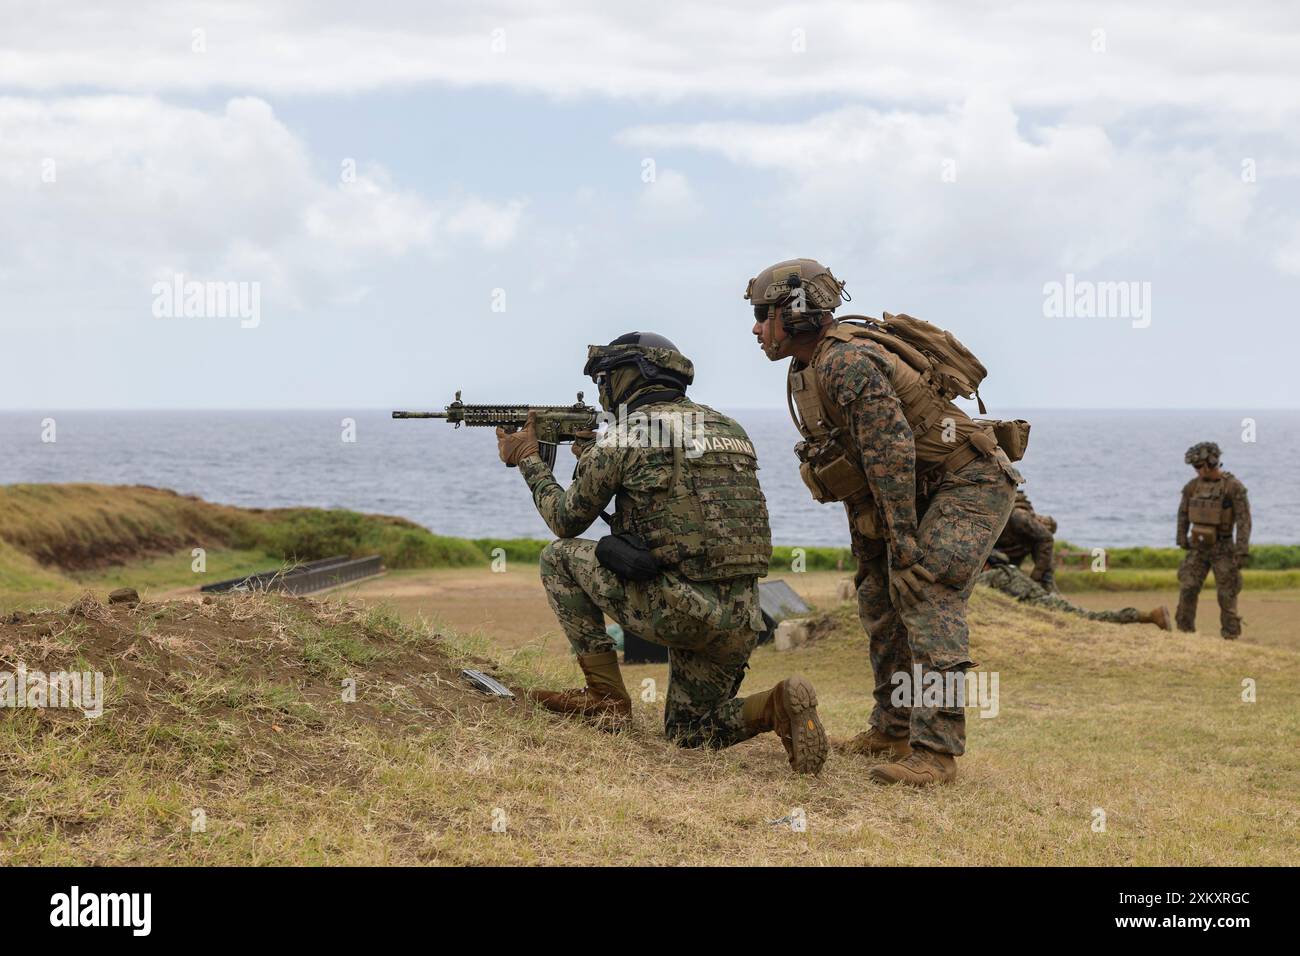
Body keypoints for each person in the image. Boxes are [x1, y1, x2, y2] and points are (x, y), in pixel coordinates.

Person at [495, 332, 828, 773]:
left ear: (630, 377)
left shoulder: (624, 436)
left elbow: (565, 520)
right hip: (744, 615)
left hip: (675, 609)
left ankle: (604, 699)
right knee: (690, 732)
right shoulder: (730, 429)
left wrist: (528, 459)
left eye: (605, 379)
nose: (601, 390)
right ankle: (776, 704)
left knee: (558, 556)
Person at [745, 258, 1019, 786]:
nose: (757, 328)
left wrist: (906, 546)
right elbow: (857, 462)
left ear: (796, 312)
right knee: (878, 600)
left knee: (926, 594)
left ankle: (937, 754)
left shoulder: (846, 361)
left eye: (764, 314)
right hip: (907, 494)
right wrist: (878, 548)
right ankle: (892, 728)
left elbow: (889, 453)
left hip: (966, 482)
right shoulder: (808, 367)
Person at [978, 551, 1170, 629]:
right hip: (1050, 601)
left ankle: (1147, 616)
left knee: (1095, 618)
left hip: (1046, 605)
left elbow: (975, 588)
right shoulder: (1011, 570)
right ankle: (1148, 616)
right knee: (1092, 618)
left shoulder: (995, 574)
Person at [1176, 441, 1251, 639]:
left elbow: (1244, 520)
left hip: (1224, 547)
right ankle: (1184, 633)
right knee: (1188, 587)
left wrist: (1242, 550)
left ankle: (1230, 636)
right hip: (1198, 547)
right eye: (1195, 467)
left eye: (1200, 466)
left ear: (1211, 463)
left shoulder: (1233, 487)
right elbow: (1183, 513)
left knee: (1226, 594)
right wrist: (1182, 537)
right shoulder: (1192, 487)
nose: (1198, 471)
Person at [996, 491, 1058, 591]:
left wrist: (1035, 577)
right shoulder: (1019, 517)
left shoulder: (1030, 535)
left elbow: (1046, 541)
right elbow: (1047, 538)